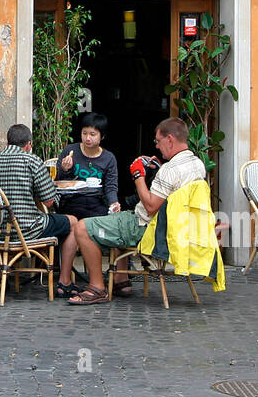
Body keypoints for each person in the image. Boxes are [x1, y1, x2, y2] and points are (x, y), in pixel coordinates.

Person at [67, 117, 206, 305]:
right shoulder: (197, 164)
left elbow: (150, 206)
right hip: (176, 227)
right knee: (116, 217)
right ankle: (121, 281)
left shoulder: (170, 170)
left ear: (170, 140)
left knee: (82, 228)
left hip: (147, 227)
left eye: (158, 141)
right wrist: (158, 171)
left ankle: (97, 287)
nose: (157, 146)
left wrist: (138, 175)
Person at [0, 124, 81, 296]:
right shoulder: (31, 160)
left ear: (7, 142)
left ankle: (1, 273)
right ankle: (64, 282)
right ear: (28, 144)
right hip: (26, 230)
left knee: (15, 218)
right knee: (73, 222)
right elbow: (49, 202)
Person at [54, 113, 119, 220]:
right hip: (72, 203)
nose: (87, 138)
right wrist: (65, 169)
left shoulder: (109, 158)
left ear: (102, 136)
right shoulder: (70, 151)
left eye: (92, 134)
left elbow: (110, 186)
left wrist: (113, 203)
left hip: (97, 204)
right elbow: (57, 181)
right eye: (84, 133)